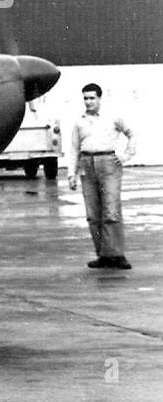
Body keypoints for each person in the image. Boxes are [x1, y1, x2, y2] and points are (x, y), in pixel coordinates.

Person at [68, 82, 135, 269]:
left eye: (92, 98)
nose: (88, 102)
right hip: (87, 164)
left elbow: (132, 133)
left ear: (99, 99)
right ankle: (103, 255)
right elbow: (73, 148)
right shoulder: (79, 121)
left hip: (108, 163)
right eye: (85, 98)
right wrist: (71, 174)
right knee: (93, 214)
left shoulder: (113, 118)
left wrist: (126, 155)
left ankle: (117, 254)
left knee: (111, 210)